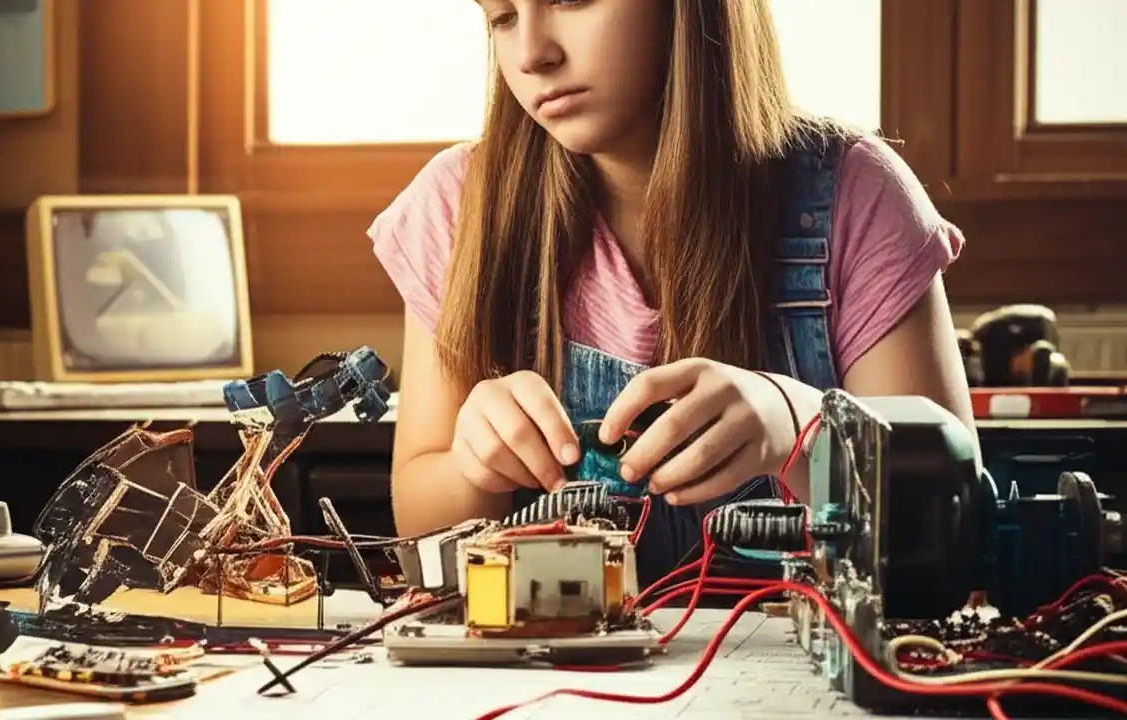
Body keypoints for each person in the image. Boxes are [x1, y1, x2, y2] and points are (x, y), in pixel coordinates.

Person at [366, 0, 976, 584]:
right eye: (501, 17)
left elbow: (952, 517)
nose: (531, 54)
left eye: (572, 0)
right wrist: (476, 469)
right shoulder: (458, 206)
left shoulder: (855, 193)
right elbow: (419, 525)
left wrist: (799, 430)